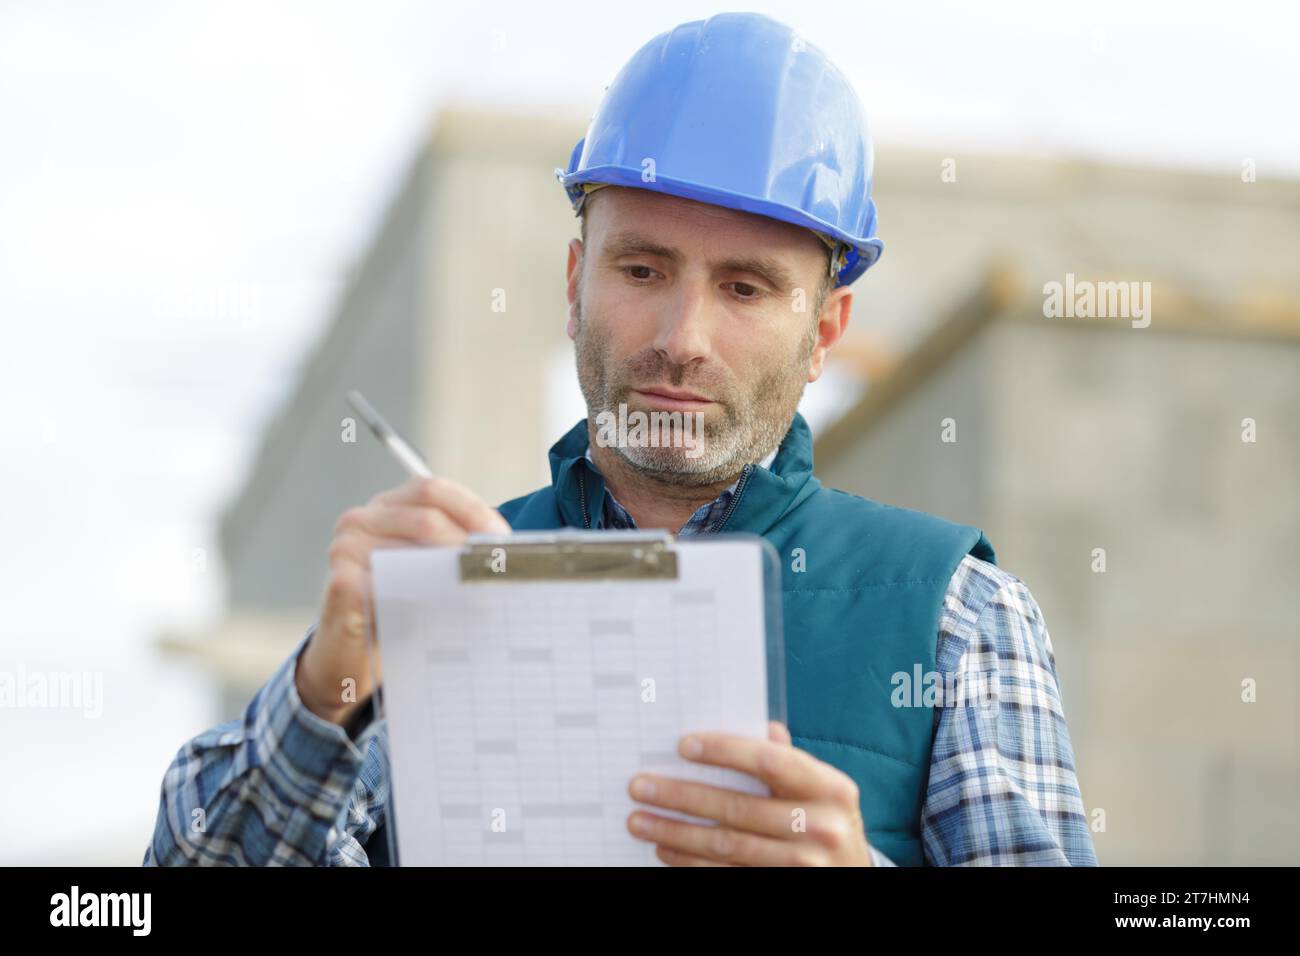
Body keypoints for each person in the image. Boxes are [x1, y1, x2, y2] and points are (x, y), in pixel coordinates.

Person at [145, 12, 1096, 867]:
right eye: (642, 269)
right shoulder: (428, 594)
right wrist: (321, 694)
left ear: (827, 334)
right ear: (574, 286)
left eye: (745, 288)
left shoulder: (957, 619)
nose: (681, 337)